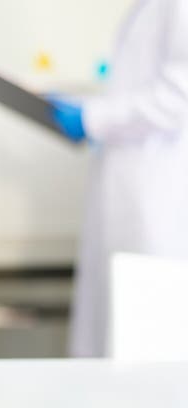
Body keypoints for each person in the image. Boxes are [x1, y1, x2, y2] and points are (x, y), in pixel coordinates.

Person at [48, 0, 188, 357]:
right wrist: (91, 109)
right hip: (133, 183)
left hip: (158, 190)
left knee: (148, 335)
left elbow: (178, 97)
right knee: (119, 328)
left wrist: (92, 117)